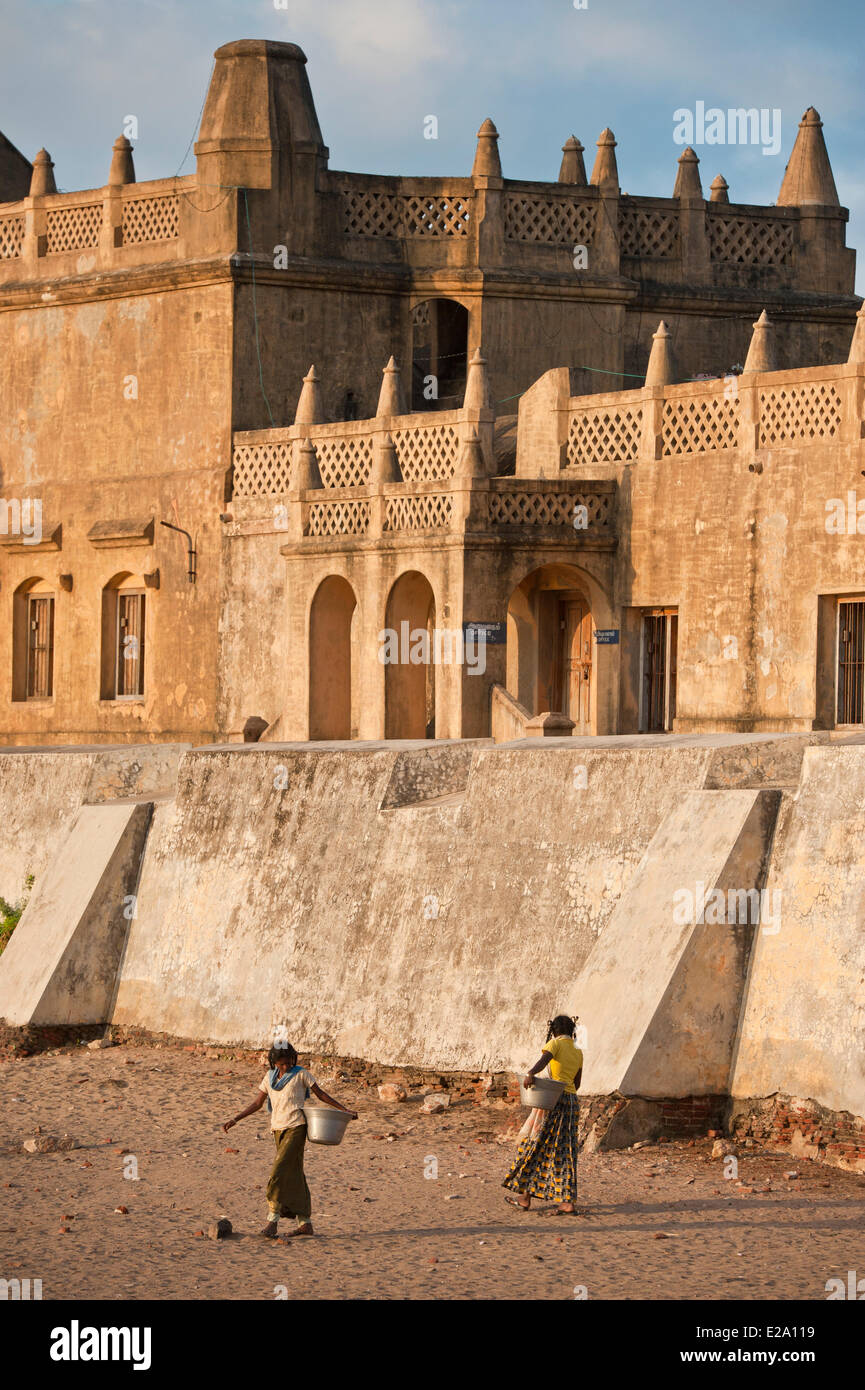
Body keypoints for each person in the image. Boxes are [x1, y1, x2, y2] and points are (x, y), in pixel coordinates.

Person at [223, 1040, 356, 1241]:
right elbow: (258, 1103)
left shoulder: (301, 1074)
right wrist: (235, 1119)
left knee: (278, 1171)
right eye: (282, 1064)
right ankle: (305, 1223)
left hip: (296, 1127)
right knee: (294, 1174)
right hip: (277, 1129)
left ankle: (273, 1218)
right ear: (274, 1063)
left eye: (289, 1062)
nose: (287, 1066)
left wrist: (344, 1110)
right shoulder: (269, 1078)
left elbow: (321, 1095)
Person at [502, 1014, 583, 1215]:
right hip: (572, 1104)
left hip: (555, 1101)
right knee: (566, 1152)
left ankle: (524, 1198)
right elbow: (577, 1083)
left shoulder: (555, 1044)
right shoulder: (578, 1050)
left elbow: (543, 1060)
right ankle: (566, 1202)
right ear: (571, 1030)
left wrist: (530, 1074)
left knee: (536, 1147)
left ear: (554, 1031)